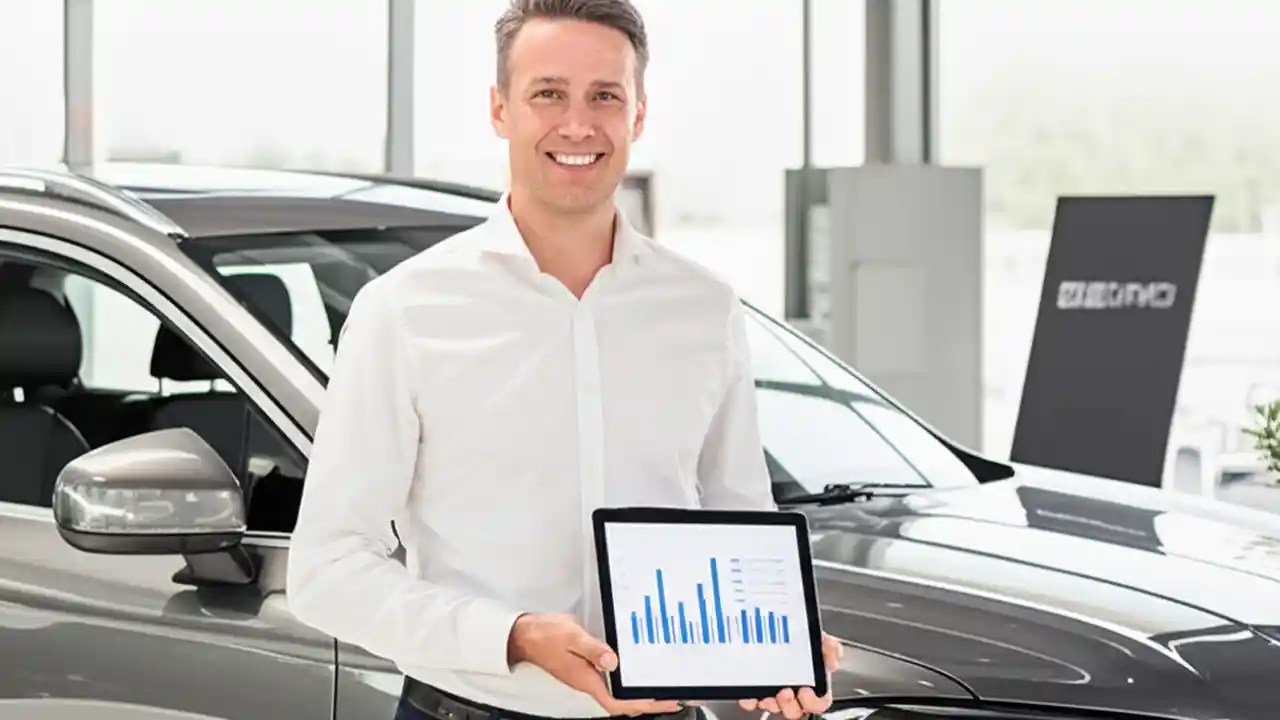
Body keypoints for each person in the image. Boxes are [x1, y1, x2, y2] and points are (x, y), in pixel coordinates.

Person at [285, 1, 841, 719]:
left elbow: (738, 522)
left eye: (605, 96)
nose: (578, 124)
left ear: (638, 116)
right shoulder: (406, 311)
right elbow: (326, 572)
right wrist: (512, 637)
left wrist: (775, 646)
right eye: (548, 93)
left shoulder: (704, 308)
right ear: (500, 110)